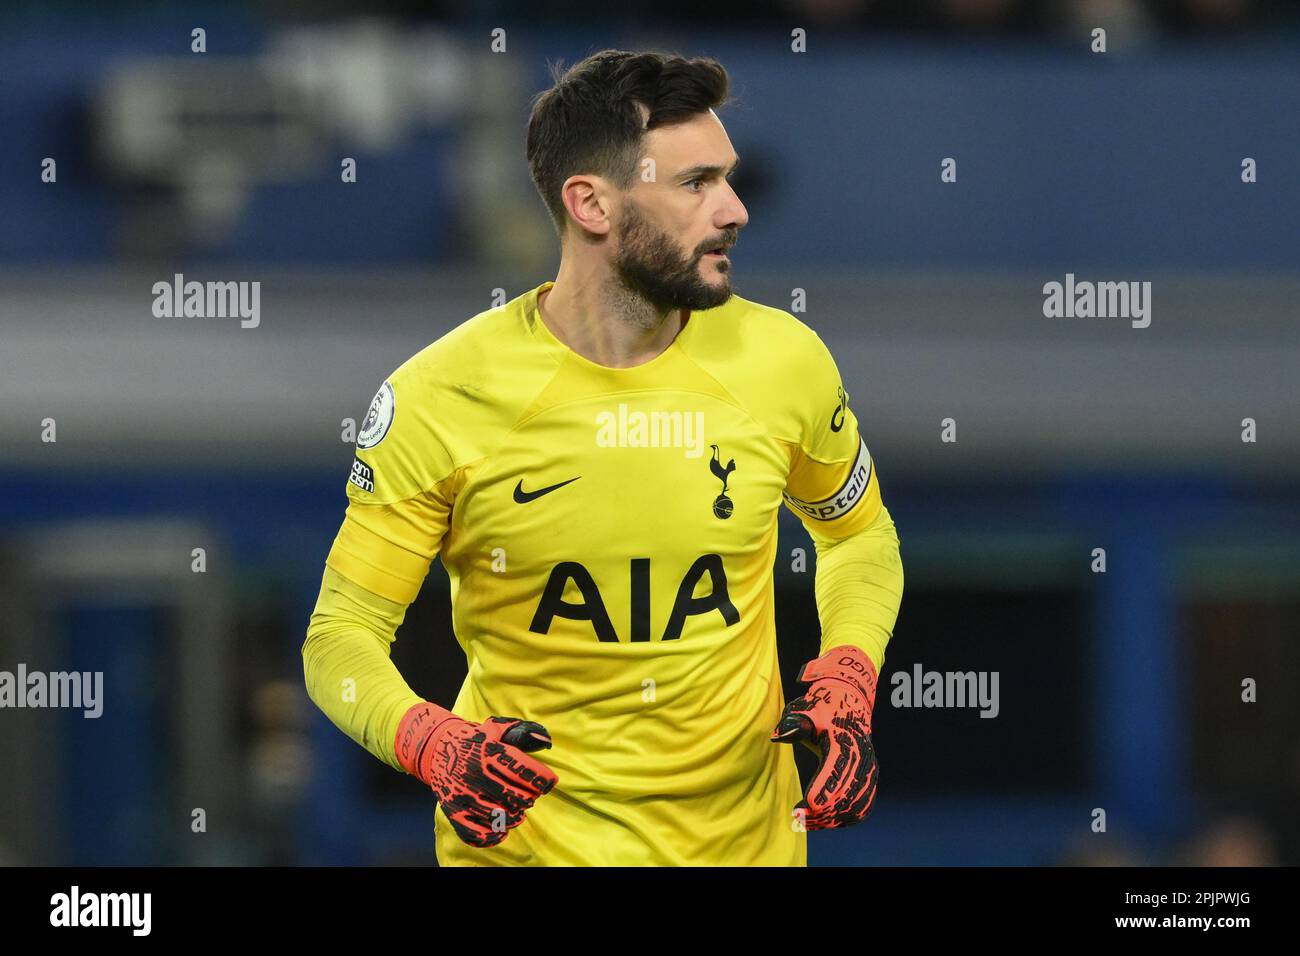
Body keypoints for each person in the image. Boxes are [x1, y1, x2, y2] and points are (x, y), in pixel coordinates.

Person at [303, 49, 904, 866]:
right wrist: (430, 742)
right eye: (695, 183)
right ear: (591, 203)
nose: (734, 210)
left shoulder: (785, 362)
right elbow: (341, 638)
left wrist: (849, 673)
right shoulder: (442, 397)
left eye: (727, 179)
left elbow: (858, 536)